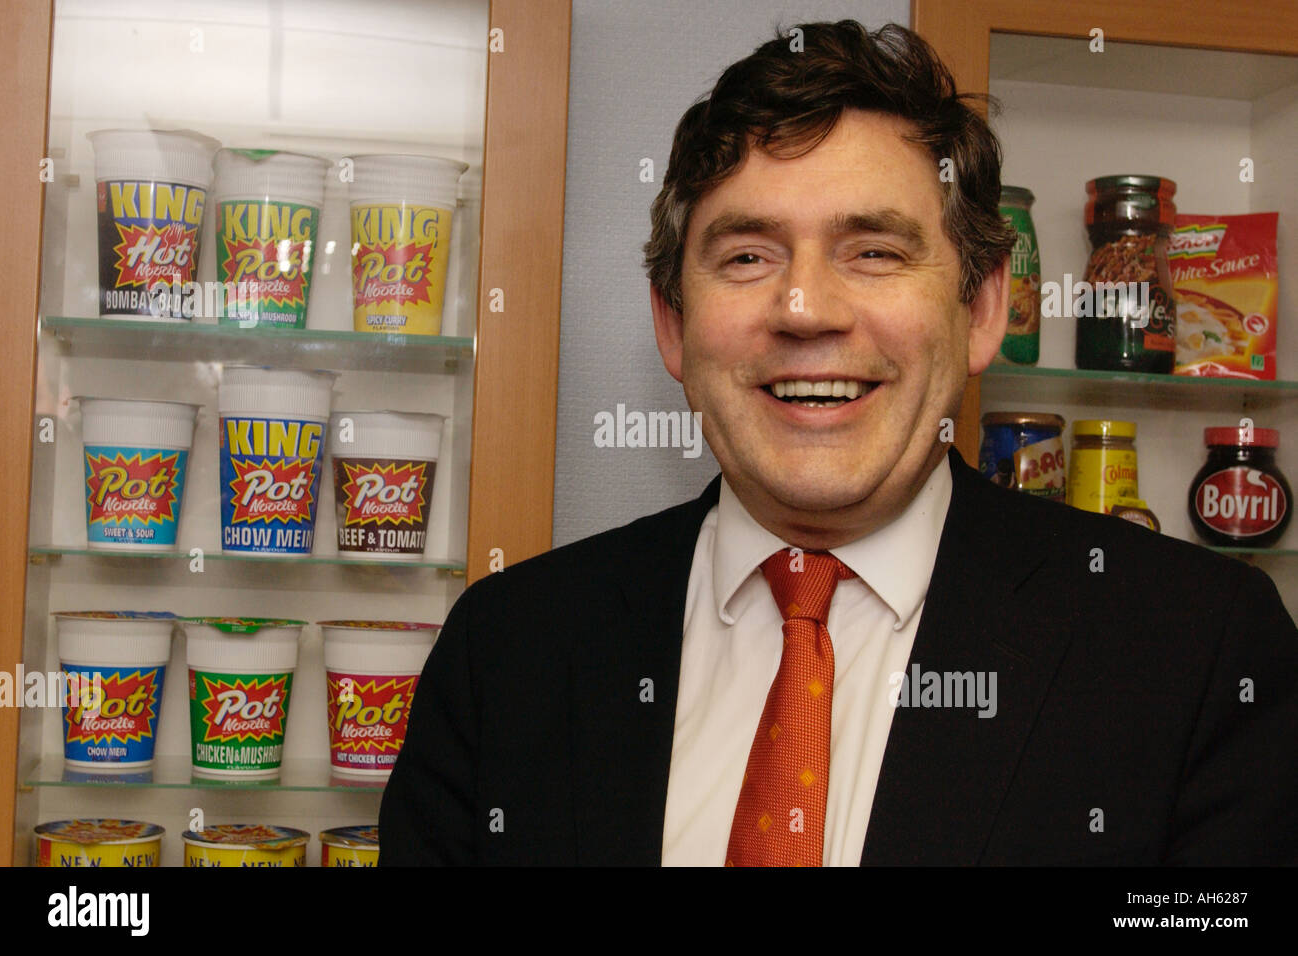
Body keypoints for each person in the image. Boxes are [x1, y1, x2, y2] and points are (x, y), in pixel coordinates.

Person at [379, 20, 1298, 866]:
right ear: (673, 324)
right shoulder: (508, 650)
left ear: (981, 310)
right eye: (747, 256)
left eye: (875, 252)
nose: (805, 309)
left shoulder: (1199, 651)